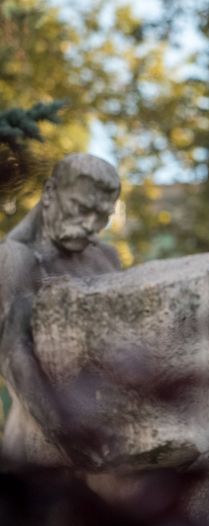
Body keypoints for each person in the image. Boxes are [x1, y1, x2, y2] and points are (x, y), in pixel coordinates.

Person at [0, 154, 122, 467]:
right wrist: (66, 432)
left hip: (109, 435)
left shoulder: (105, 257)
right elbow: (14, 355)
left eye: (103, 216)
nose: (93, 227)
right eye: (82, 209)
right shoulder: (16, 259)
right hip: (39, 441)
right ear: (50, 192)